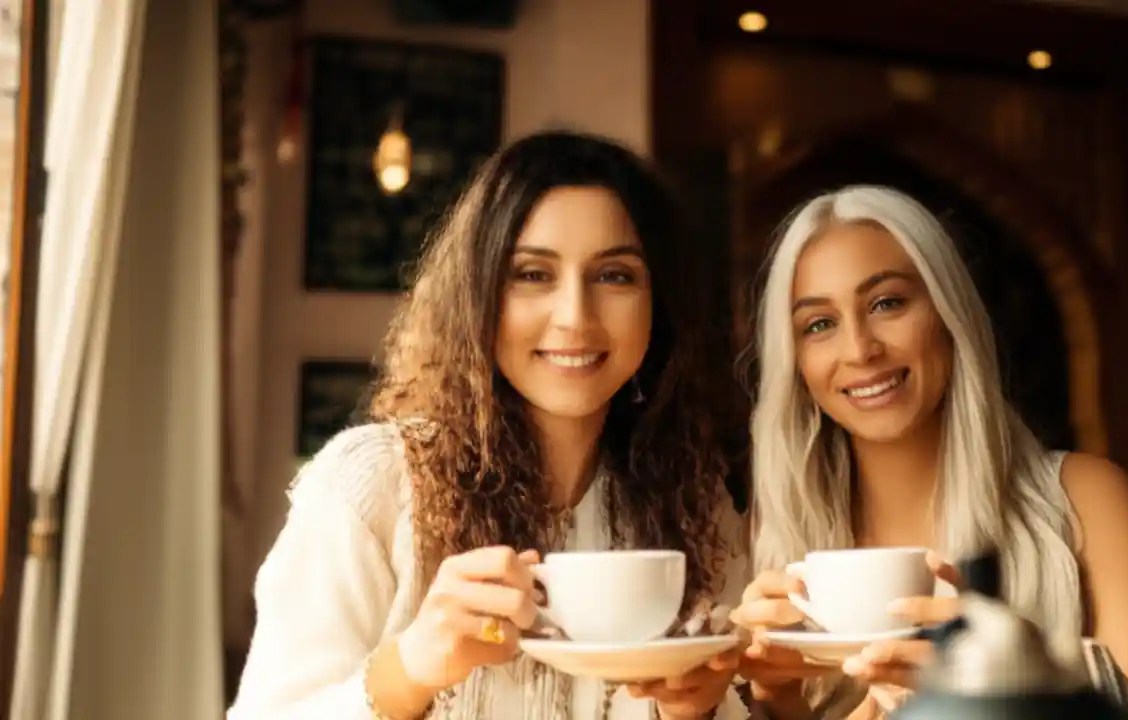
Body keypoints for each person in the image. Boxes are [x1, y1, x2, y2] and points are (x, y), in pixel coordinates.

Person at [229, 131, 748, 719]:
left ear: (660, 303)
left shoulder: (696, 506)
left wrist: (696, 711)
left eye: (614, 275)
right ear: (478, 294)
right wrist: (409, 670)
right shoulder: (375, 486)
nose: (574, 316)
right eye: (532, 274)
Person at [730, 185, 1128, 718]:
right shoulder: (774, 540)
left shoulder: (1087, 498)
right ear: (794, 364)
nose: (860, 349)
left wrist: (1017, 675)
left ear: (948, 312)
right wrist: (779, 702)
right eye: (820, 324)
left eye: (887, 303)